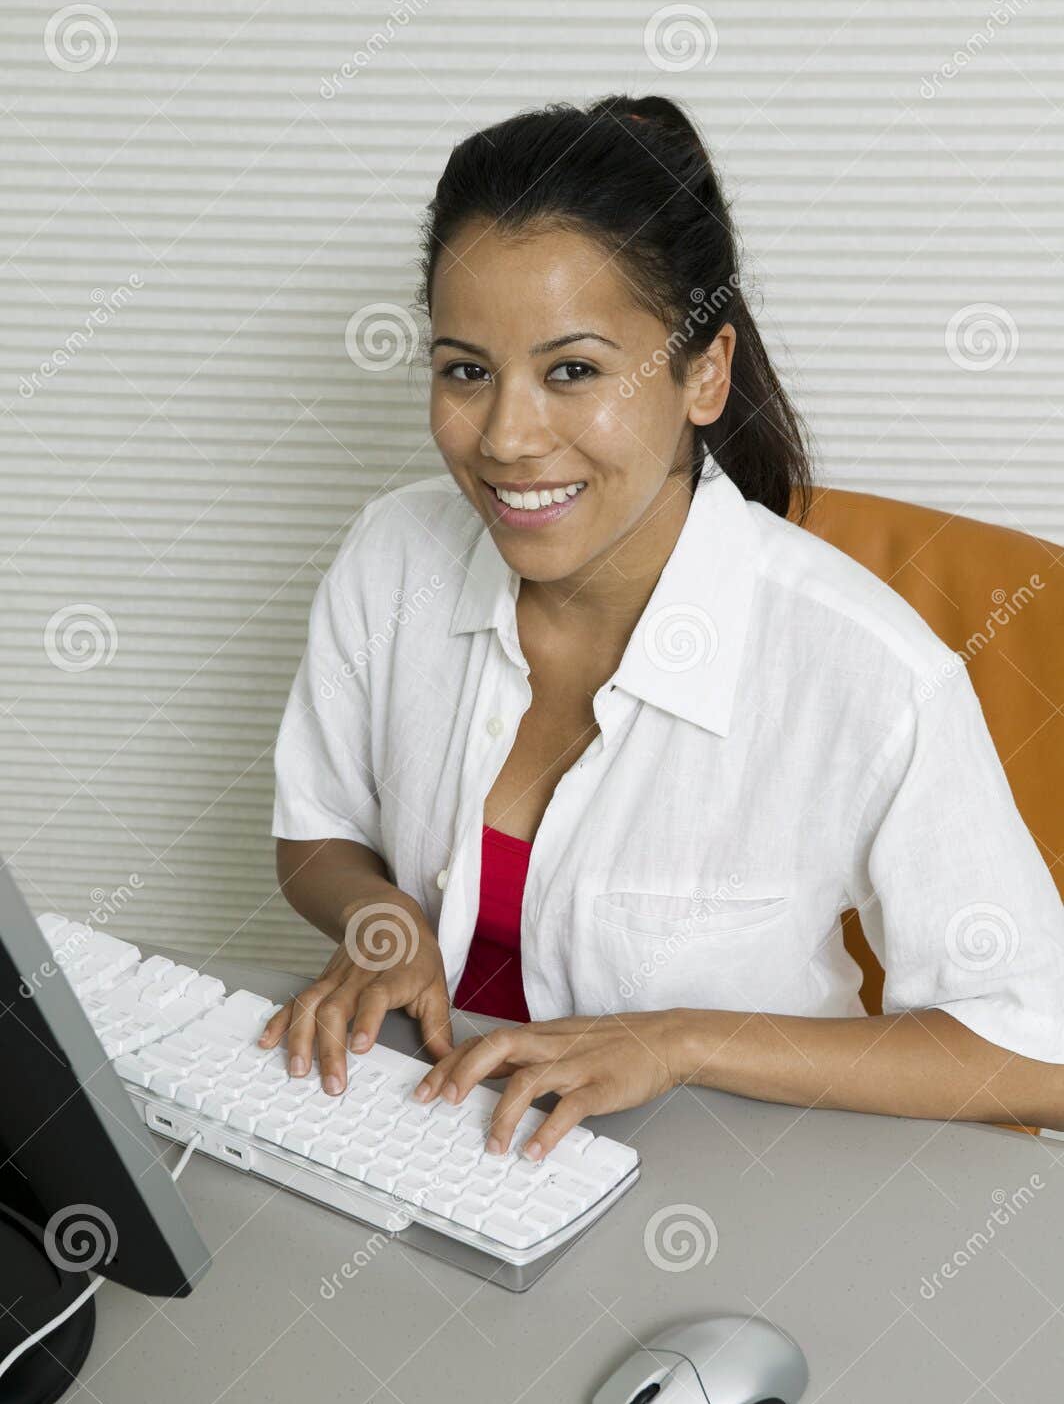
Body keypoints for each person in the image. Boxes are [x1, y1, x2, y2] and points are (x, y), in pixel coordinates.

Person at [264, 93, 1064, 1162]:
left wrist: (679, 1042)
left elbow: (1036, 1054)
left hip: (732, 1180)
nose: (505, 437)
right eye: (465, 370)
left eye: (573, 372)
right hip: (429, 1139)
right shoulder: (390, 556)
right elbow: (312, 832)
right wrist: (383, 921)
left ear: (702, 373)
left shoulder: (867, 672)